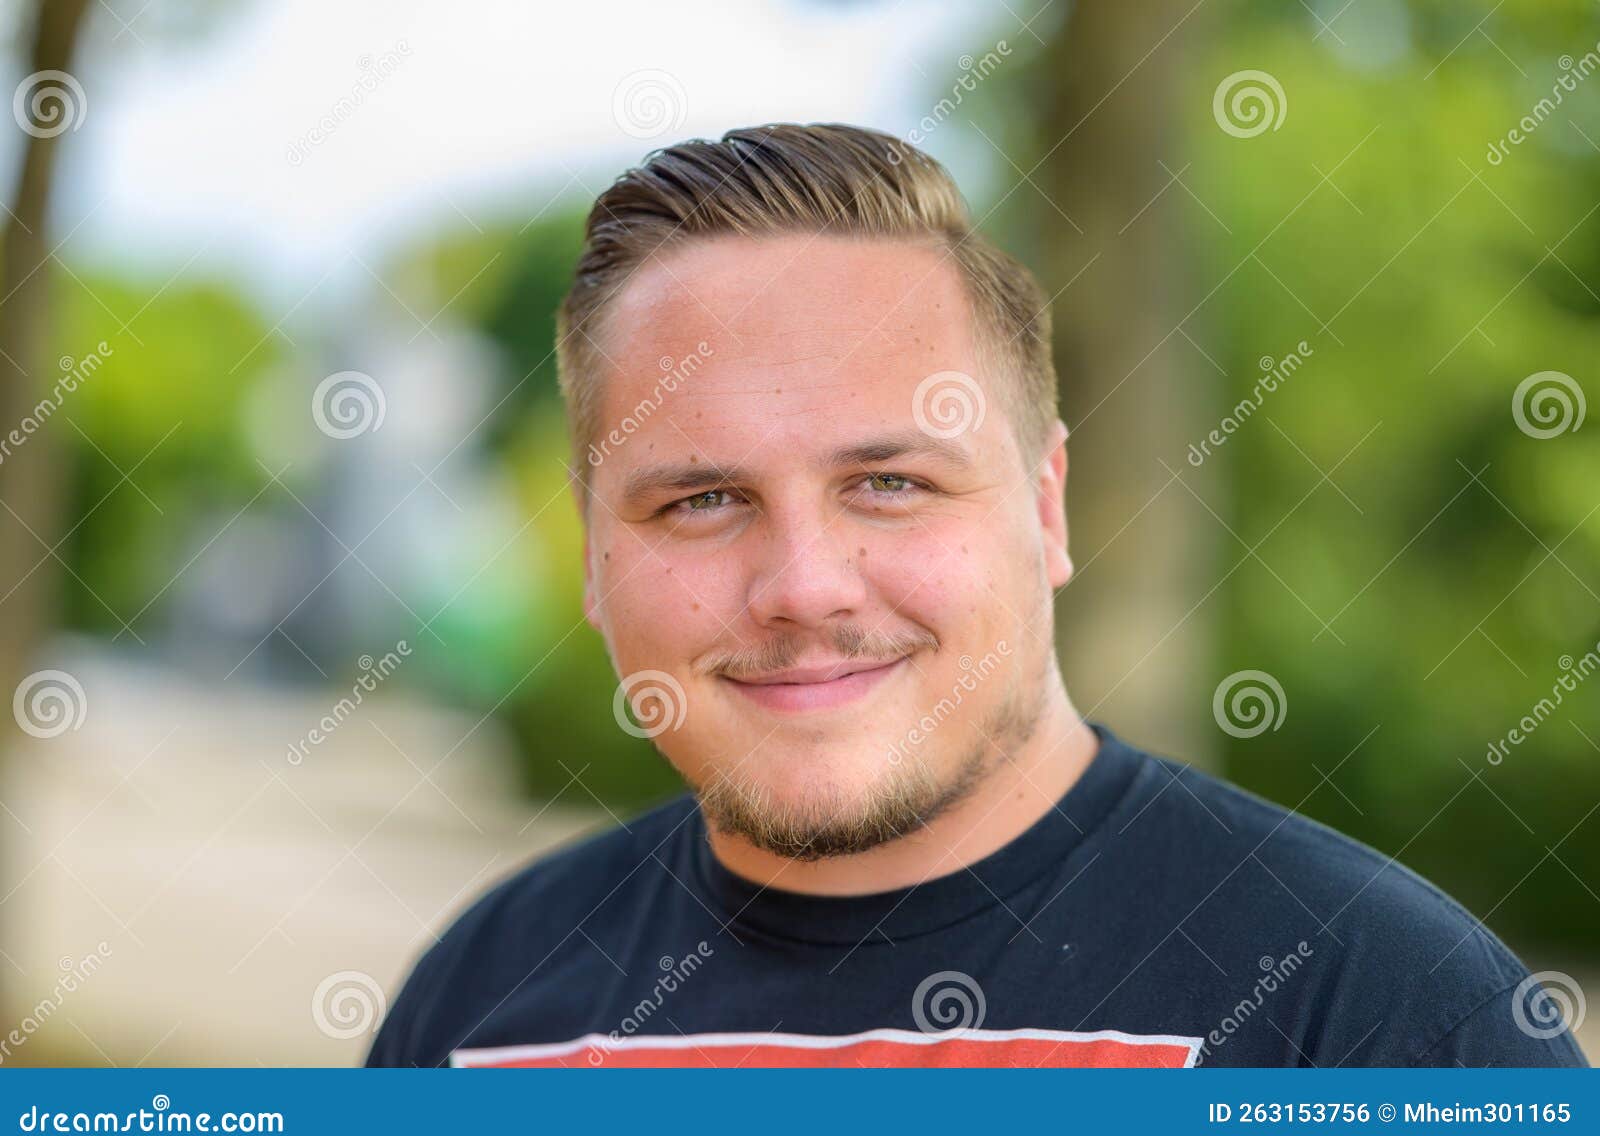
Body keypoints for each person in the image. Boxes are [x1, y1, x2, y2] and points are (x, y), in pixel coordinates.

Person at [367, 123, 1587, 1068]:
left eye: (888, 482)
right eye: (700, 502)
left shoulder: (1382, 1026)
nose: (802, 586)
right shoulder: (480, 1011)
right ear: (591, 557)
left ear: (1045, 506)